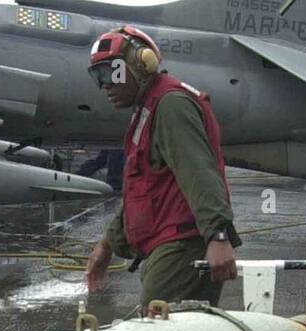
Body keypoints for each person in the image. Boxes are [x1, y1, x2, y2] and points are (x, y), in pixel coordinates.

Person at [84, 25, 238, 308]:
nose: (105, 84)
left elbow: (199, 171)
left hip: (182, 248)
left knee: (158, 330)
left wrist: (218, 235)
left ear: (143, 64)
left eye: (111, 72)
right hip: (167, 248)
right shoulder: (149, 108)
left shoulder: (171, 105)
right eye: (98, 76)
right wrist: (107, 244)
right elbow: (141, 188)